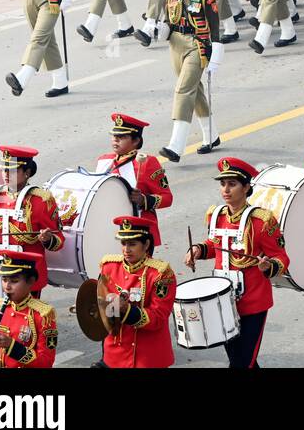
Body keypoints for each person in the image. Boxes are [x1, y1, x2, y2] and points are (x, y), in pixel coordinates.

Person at [184, 158, 290, 369]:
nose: (226, 189)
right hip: (222, 302)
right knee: (240, 359)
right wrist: (197, 249)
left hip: (252, 302)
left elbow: (282, 257)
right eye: (223, 184)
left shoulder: (262, 220)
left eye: (232, 184)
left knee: (242, 362)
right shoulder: (216, 215)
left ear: (246, 187)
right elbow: (215, 245)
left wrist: (268, 266)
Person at [0, 145, 64, 294]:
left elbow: (58, 239)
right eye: (4, 169)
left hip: (26, 274)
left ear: (27, 172)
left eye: (13, 170)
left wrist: (47, 239)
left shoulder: (40, 200)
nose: (7, 174)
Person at [160, 0, 222, 162]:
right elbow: (168, 19)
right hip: (175, 44)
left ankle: (176, 146)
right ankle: (211, 135)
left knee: (183, 90)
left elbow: (214, 26)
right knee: (195, 92)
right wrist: (160, 28)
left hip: (197, 44)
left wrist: (216, 55)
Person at [96, 215, 176, 368]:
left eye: (132, 244)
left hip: (148, 356)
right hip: (116, 353)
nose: (126, 250)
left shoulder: (161, 274)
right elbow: (101, 302)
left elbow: (158, 317)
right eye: (124, 243)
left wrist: (127, 311)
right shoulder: (109, 267)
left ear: (146, 245)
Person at [93, 113, 173, 244]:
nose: (115, 140)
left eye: (122, 137)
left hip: (139, 233)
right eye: (114, 136)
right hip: (108, 228)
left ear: (136, 141)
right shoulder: (104, 160)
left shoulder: (147, 162)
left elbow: (167, 198)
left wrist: (143, 200)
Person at [0, 251, 57, 369]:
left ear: (31, 281)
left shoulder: (43, 315)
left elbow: (45, 362)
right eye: (4, 279)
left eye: (14, 281)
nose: (7, 286)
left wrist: (11, 346)